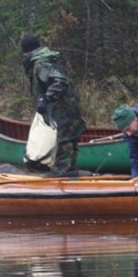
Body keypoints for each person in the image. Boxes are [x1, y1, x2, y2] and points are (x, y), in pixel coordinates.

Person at [21, 33, 86, 177]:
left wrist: (46, 99)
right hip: (68, 109)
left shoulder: (41, 63)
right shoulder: (47, 60)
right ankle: (70, 176)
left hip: (62, 111)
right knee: (68, 143)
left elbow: (59, 81)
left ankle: (62, 179)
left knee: (63, 144)